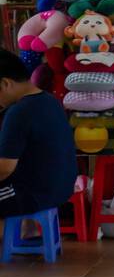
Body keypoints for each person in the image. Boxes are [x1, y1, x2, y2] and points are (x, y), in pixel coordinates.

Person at [0, 49, 77, 220]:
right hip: (60, 188)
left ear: (5, 83)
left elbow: (5, 168)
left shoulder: (19, 111)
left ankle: (11, 234)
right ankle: (27, 232)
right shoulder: (49, 100)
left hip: (33, 193)